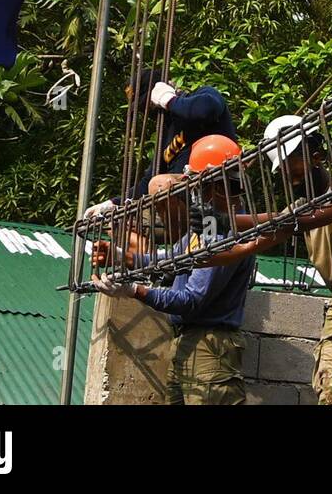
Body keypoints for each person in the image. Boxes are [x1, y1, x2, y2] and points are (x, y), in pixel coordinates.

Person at [199, 114, 332, 405]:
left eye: (292, 166)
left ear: (315, 157)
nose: (286, 175)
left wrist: (223, 219)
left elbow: (294, 223)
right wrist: (208, 241)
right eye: (281, 169)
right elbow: (255, 240)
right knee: (326, 391)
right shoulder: (300, 208)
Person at [92, 134, 255, 405]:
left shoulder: (225, 233)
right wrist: (123, 256)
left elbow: (192, 300)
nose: (191, 192)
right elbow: (169, 259)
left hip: (210, 349)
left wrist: (135, 290)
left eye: (197, 185)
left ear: (215, 186)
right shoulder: (204, 226)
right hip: (189, 344)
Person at [82, 68, 240, 221]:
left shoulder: (201, 96)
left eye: (148, 104)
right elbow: (146, 182)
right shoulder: (165, 136)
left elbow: (207, 109)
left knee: (159, 184)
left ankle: (188, 237)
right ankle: (178, 244)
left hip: (217, 188)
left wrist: (169, 100)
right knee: (117, 223)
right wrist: (112, 203)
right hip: (185, 208)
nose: (147, 112)